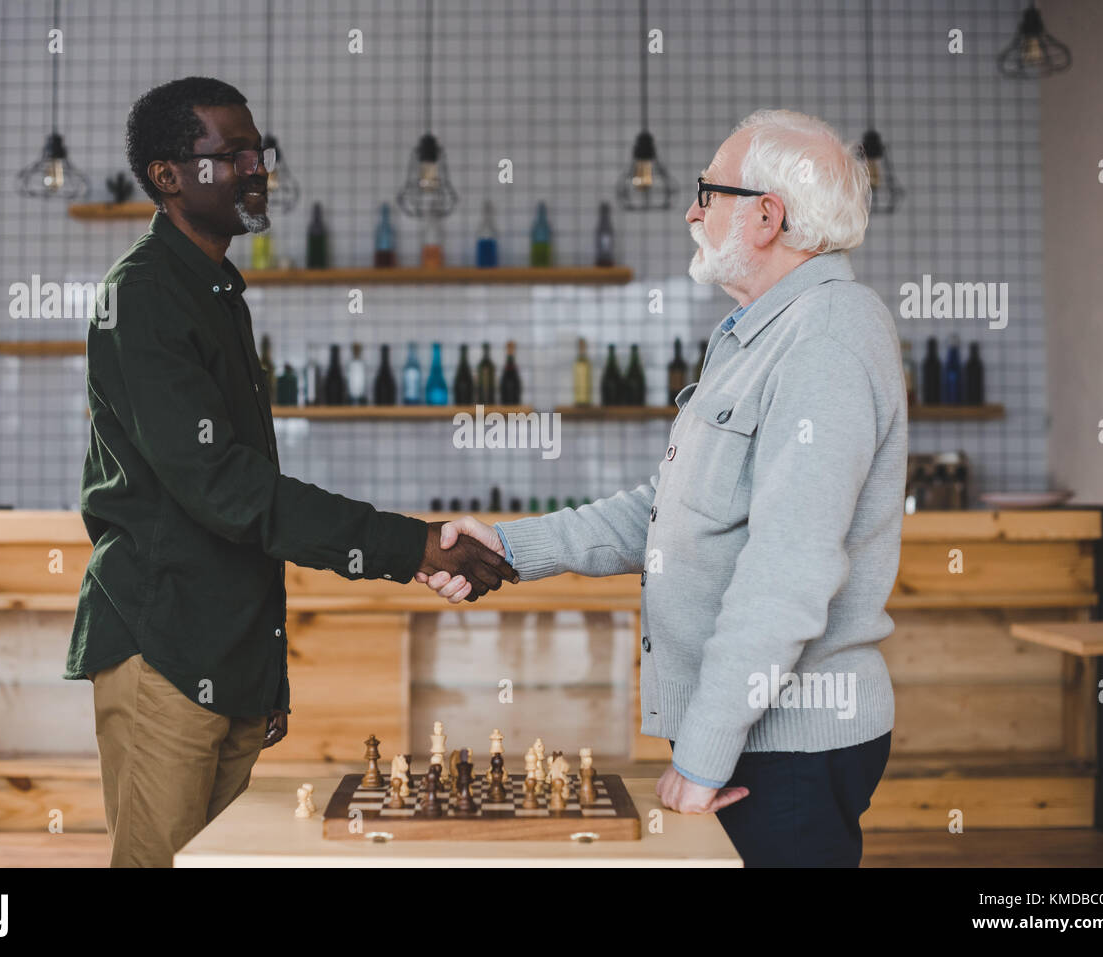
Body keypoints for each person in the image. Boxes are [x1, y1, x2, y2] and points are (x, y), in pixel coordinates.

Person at [417, 109, 905, 867]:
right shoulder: (757, 334)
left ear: (767, 215)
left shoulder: (827, 338)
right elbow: (667, 509)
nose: (691, 211)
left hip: (786, 747)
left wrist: (706, 754)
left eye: (708, 193)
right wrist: (509, 545)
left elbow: (789, 571)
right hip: (752, 735)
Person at [63, 76, 517, 867]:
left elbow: (242, 511)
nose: (255, 167)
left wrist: (264, 674)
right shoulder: (141, 294)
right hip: (164, 648)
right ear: (168, 175)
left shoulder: (216, 292)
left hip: (230, 659)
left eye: (258, 150)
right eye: (230, 153)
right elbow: (226, 490)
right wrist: (410, 548)